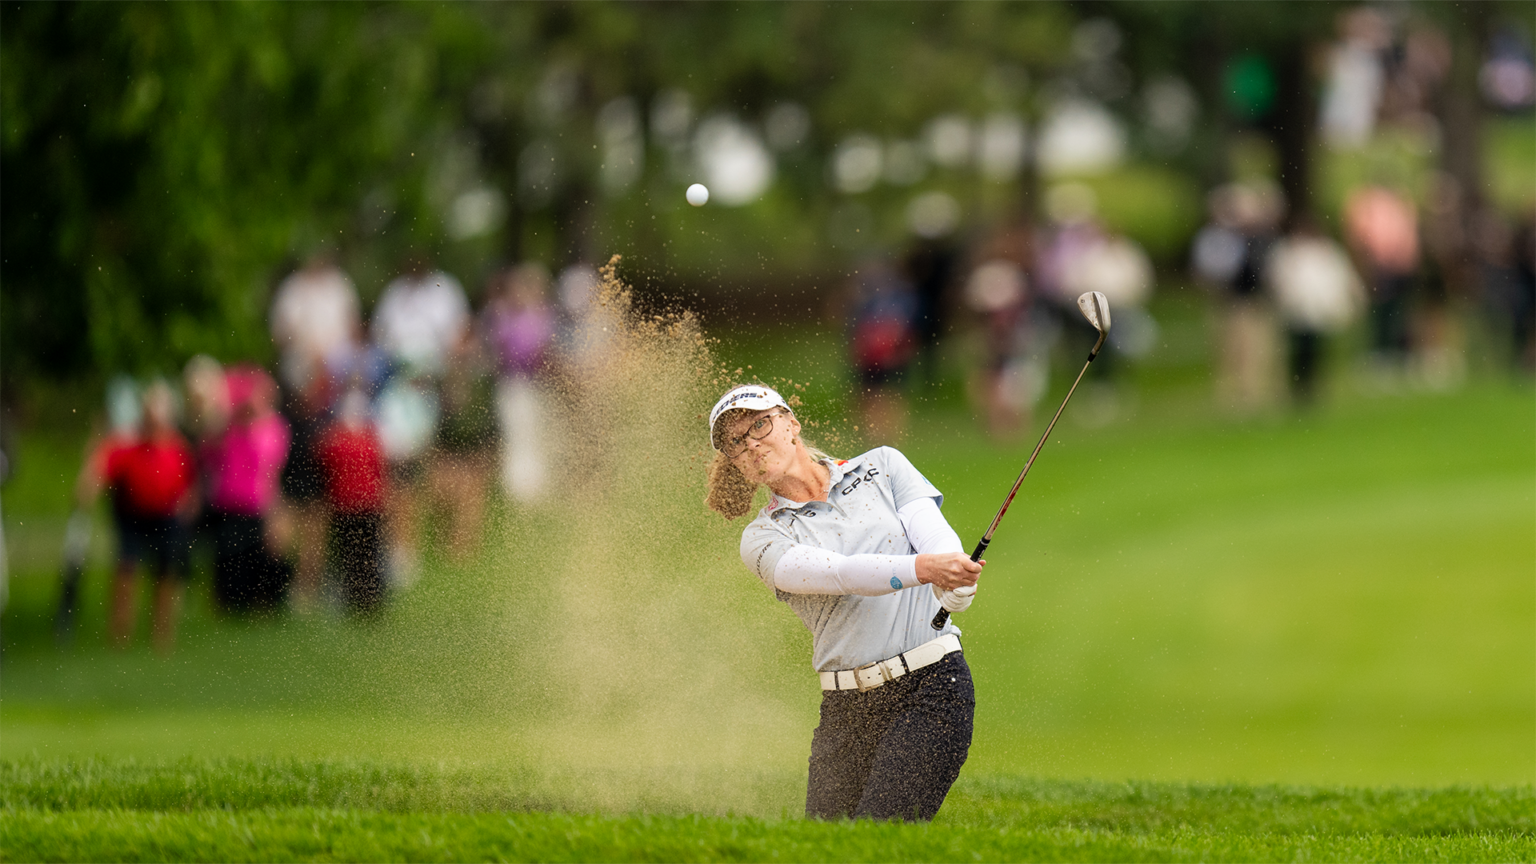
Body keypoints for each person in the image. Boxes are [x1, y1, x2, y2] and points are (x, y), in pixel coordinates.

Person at [705, 384, 981, 822]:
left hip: (930, 689)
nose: (753, 443)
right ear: (736, 464)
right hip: (845, 712)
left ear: (790, 423)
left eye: (760, 424)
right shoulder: (761, 538)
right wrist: (928, 570)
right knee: (826, 847)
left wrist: (956, 578)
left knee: (879, 838)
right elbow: (839, 573)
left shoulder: (883, 465)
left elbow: (934, 534)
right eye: (736, 442)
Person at [83, 382, 197, 652]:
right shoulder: (128, 444)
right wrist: (90, 485)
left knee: (164, 574)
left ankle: (162, 634)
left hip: (167, 517)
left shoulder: (178, 446)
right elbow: (102, 469)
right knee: (126, 571)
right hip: (131, 517)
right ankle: (120, 633)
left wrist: (188, 504)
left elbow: (191, 483)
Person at [203, 366, 291, 614]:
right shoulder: (228, 426)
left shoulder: (273, 427)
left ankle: (259, 601)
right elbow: (210, 454)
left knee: (258, 554)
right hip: (228, 500)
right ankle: (229, 603)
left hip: (258, 501)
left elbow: (270, 461)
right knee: (229, 556)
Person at [316, 389, 387, 614]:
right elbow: (380, 469)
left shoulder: (335, 440)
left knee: (350, 554)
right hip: (366, 504)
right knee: (368, 553)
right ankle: (369, 598)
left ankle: (355, 597)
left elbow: (324, 462)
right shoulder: (370, 440)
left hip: (345, 505)